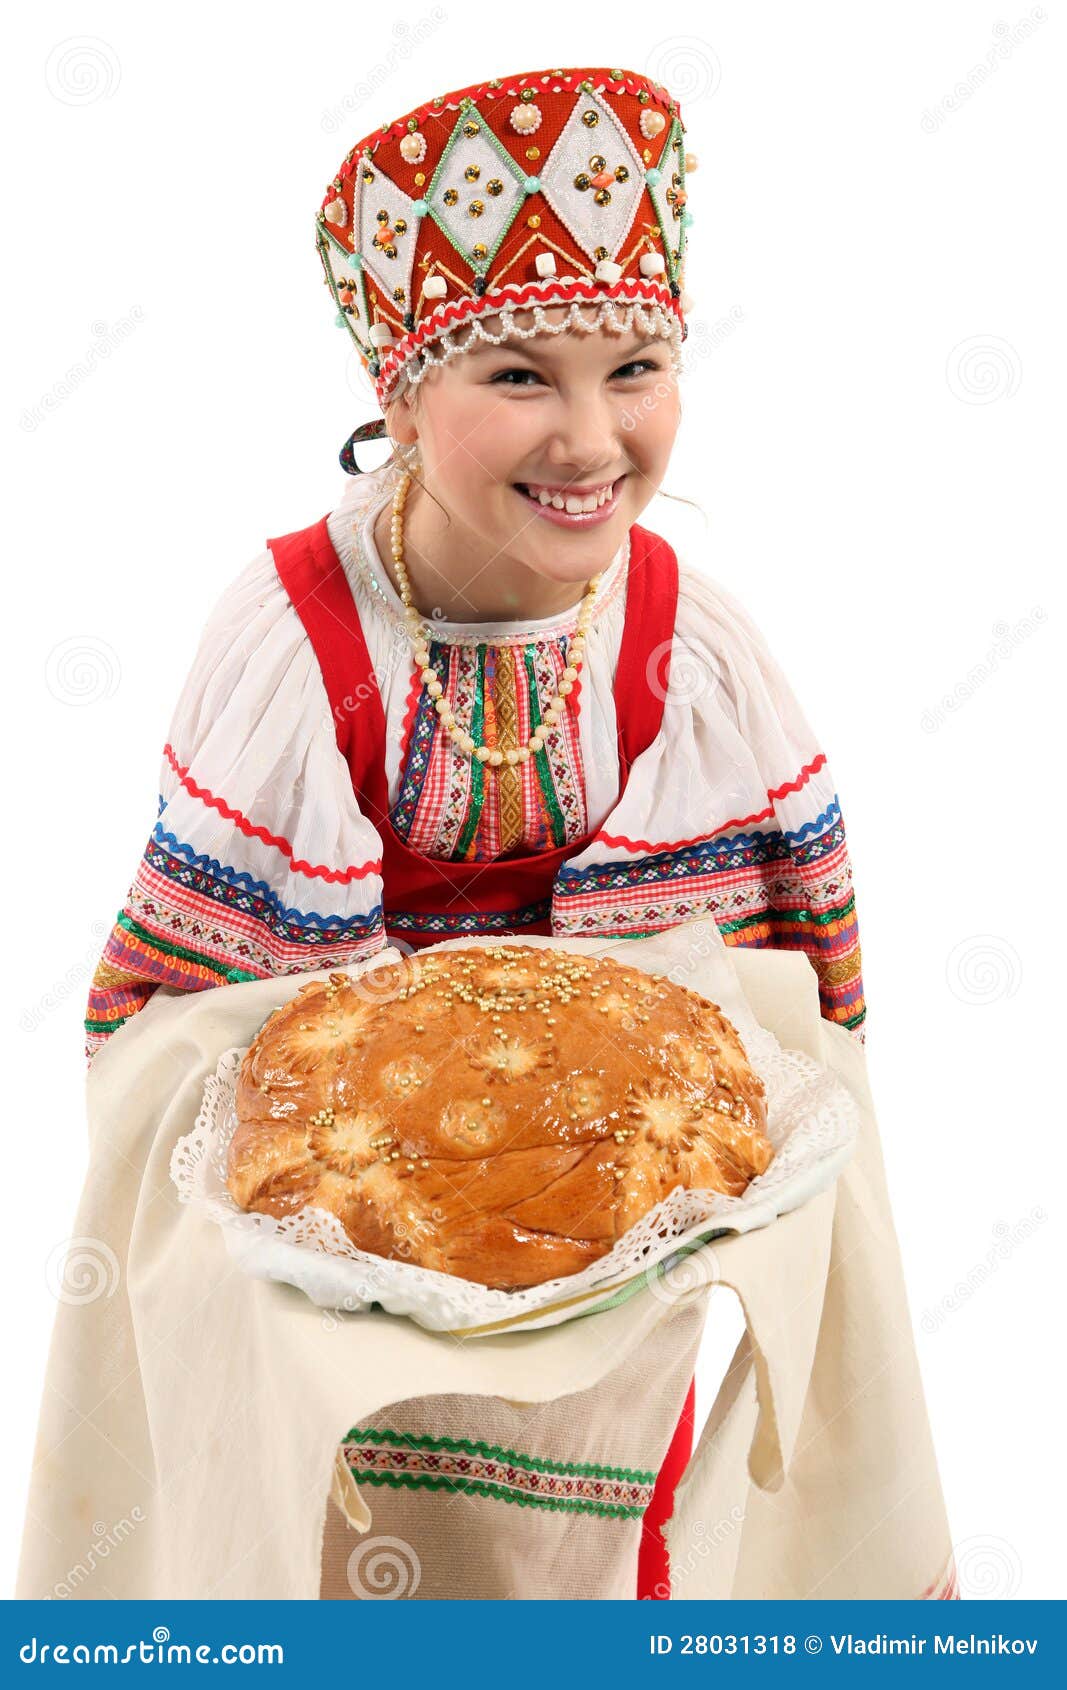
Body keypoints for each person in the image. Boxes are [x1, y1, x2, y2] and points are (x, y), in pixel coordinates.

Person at [84, 64, 866, 1601]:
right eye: (516, 376)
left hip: (596, 1224)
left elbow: (780, 1002)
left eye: (633, 365)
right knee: (355, 1560)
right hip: (341, 1250)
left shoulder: (686, 644)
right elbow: (193, 1040)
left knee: (578, 1548)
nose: (589, 439)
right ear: (396, 392)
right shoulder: (294, 649)